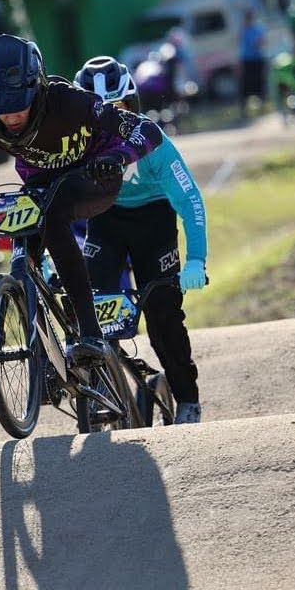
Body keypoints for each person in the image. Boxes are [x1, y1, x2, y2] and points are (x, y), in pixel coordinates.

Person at [0, 33, 166, 366]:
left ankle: (90, 333)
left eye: (18, 105)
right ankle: (45, 351)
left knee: (52, 214)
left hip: (94, 177)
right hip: (41, 186)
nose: (10, 117)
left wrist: (117, 158)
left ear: (38, 90)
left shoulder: (71, 101)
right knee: (25, 238)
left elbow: (148, 131)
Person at [73, 55, 209, 424]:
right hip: (106, 221)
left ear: (133, 105)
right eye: (98, 111)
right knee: (88, 308)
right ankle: (101, 384)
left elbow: (190, 200)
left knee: (163, 318)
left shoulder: (154, 142)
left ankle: (187, 400)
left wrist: (196, 259)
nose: (109, 119)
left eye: (119, 108)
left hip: (155, 222)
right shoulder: (75, 143)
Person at [238, 8, 268, 119]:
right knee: (246, 85)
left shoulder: (258, 29)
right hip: (247, 60)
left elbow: (262, 42)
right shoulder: (243, 30)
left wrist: (258, 43)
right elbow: (241, 44)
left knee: (259, 83)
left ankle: (262, 106)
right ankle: (244, 109)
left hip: (257, 59)